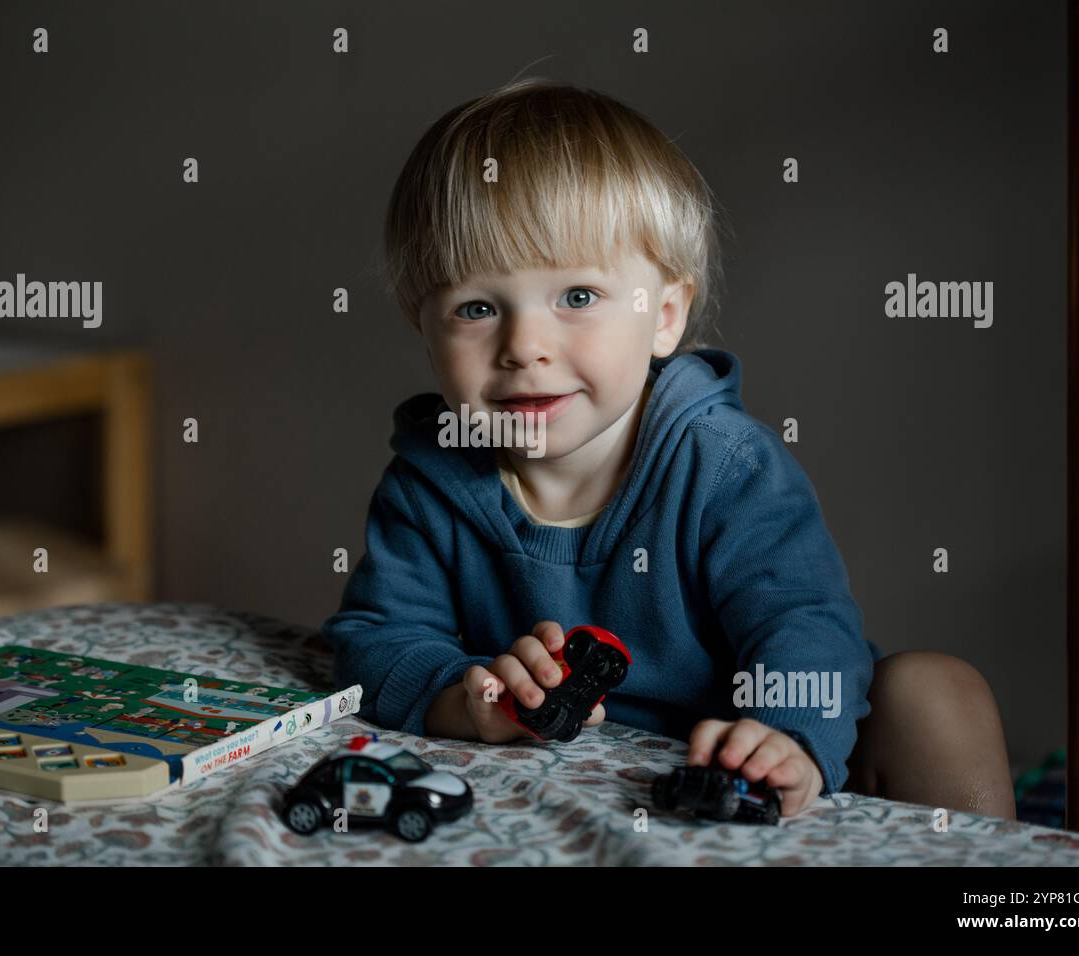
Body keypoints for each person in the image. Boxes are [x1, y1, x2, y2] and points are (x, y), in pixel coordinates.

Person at [323, 78, 1014, 819]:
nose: (524, 346)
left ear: (666, 316)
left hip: (746, 755)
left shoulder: (722, 463)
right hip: (602, 788)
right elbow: (375, 639)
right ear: (423, 328)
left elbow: (802, 623)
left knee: (935, 689)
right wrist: (468, 697)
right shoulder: (431, 482)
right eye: (478, 308)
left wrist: (786, 739)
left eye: (577, 298)